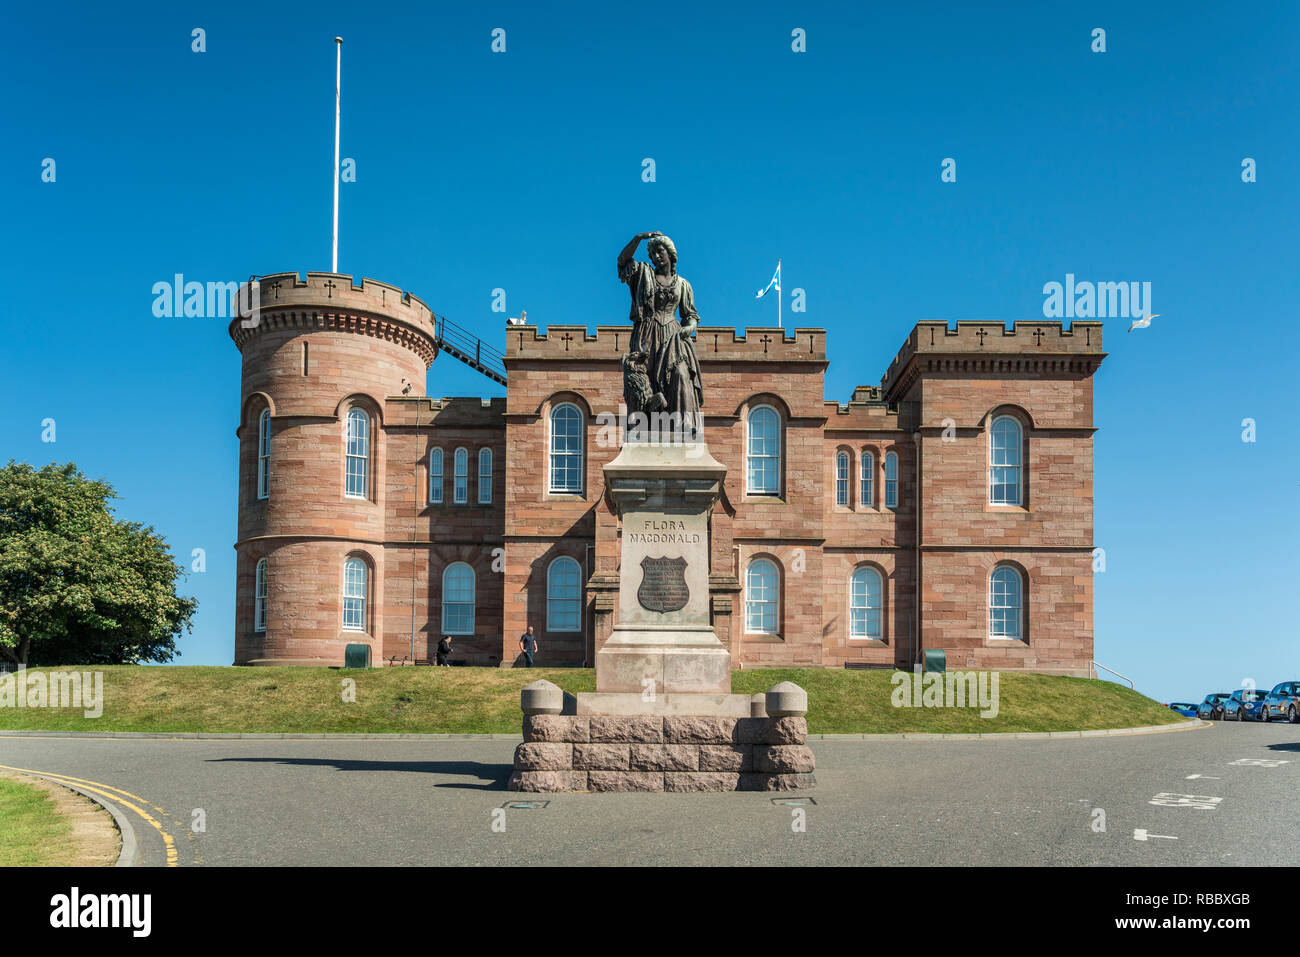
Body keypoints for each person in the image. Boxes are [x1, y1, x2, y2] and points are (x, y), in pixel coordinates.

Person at [616, 231, 704, 437]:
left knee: (681, 374)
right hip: (646, 336)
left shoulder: (683, 284)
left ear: (670, 254)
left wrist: (689, 328)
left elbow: (690, 315)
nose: (655, 256)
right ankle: (643, 430)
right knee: (644, 384)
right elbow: (623, 261)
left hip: (674, 338)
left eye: (660, 251)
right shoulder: (642, 274)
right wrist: (639, 238)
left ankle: (684, 427)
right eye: (653, 252)